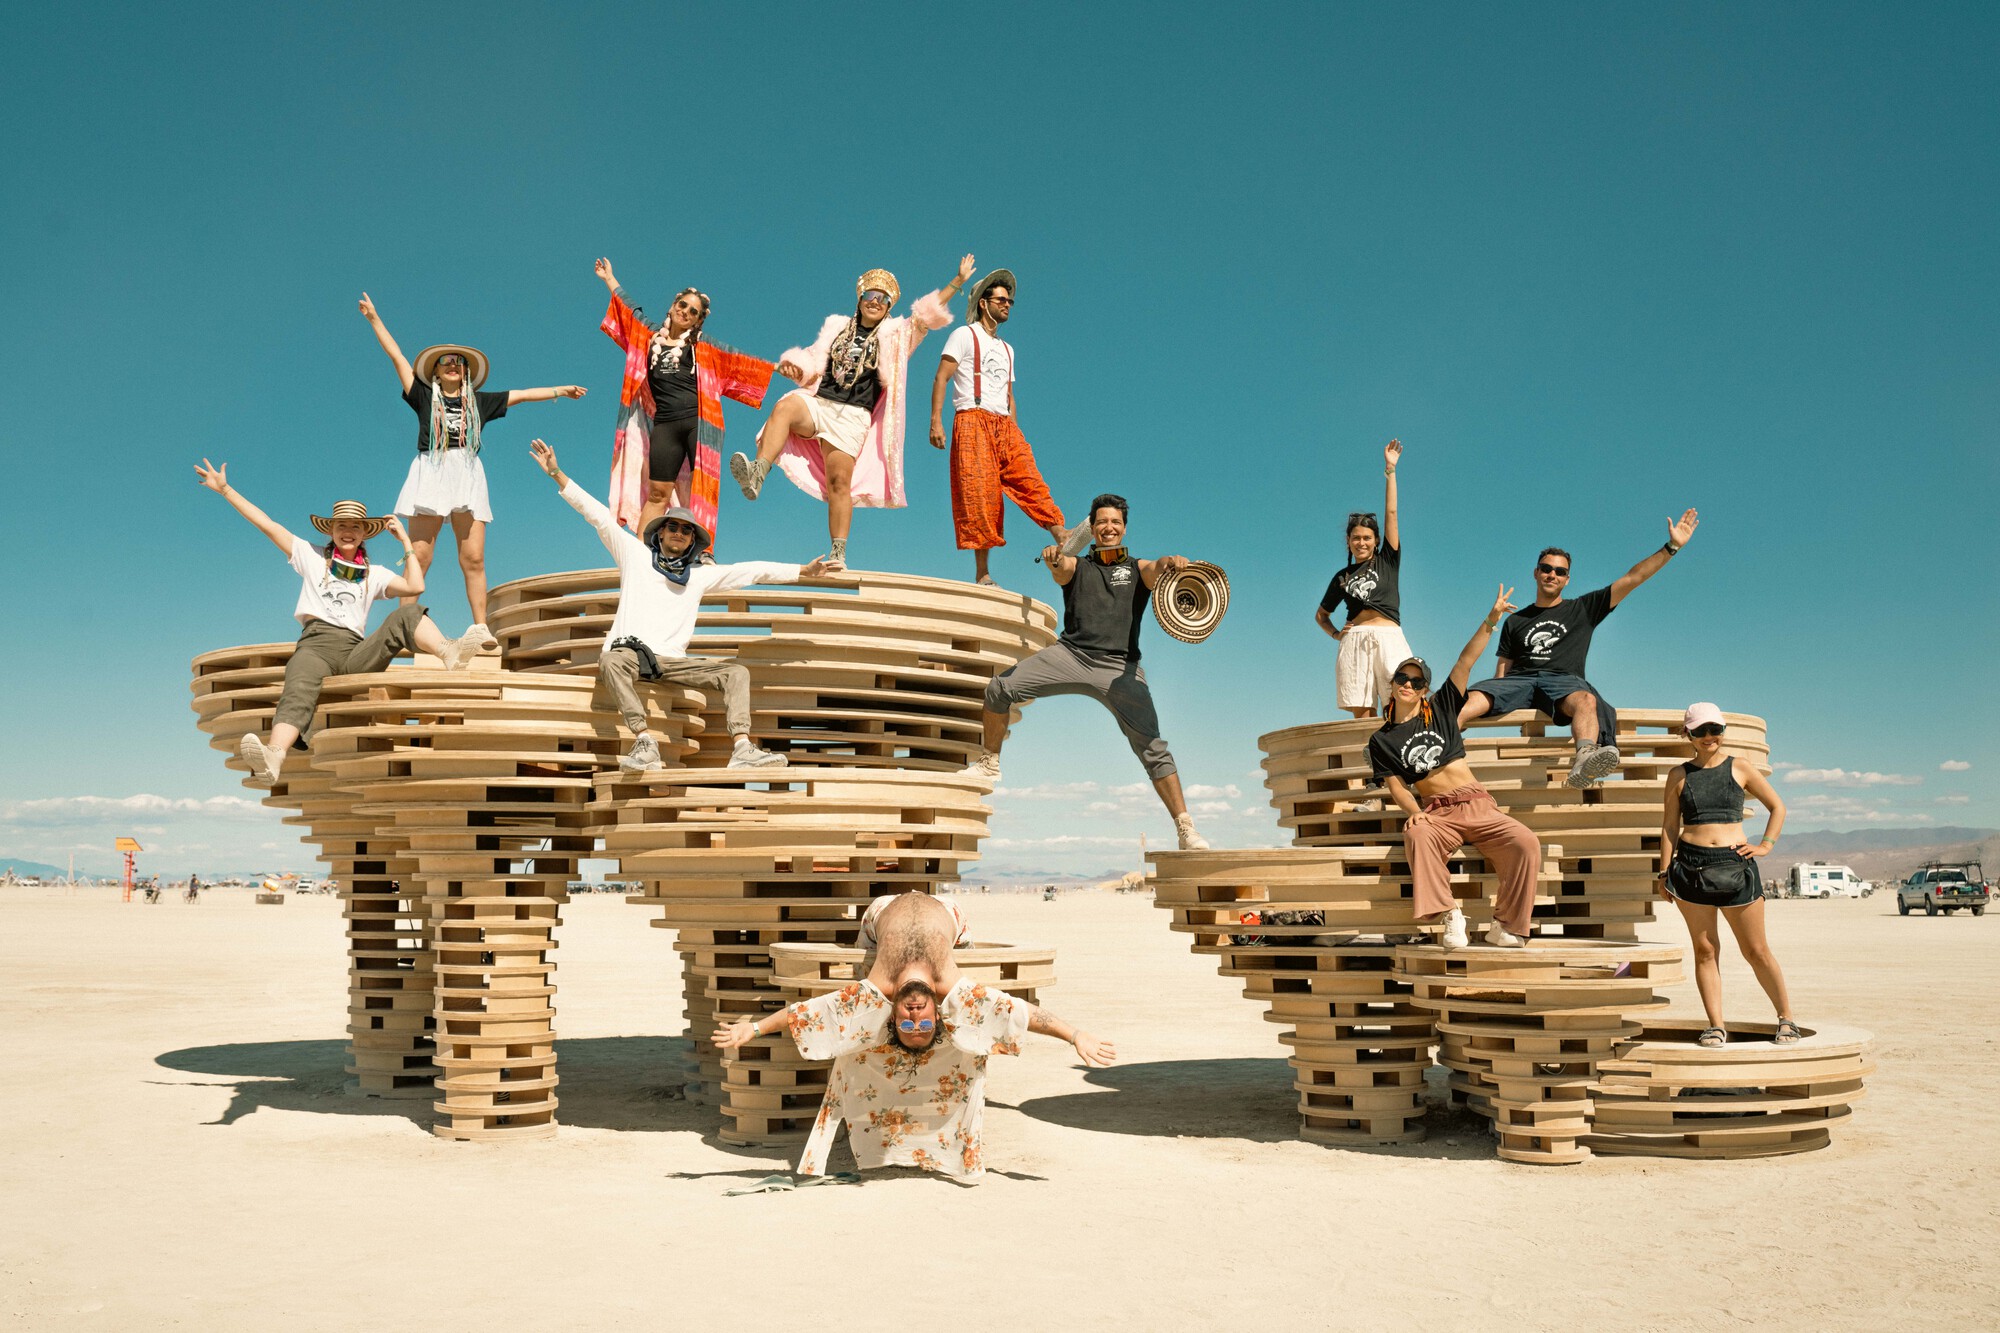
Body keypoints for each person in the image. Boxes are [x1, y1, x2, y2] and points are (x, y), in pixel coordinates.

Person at [712, 891, 1113, 1181]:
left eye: (909, 1025)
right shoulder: (951, 988)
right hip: (951, 912)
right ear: (940, 1014)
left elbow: (812, 1012)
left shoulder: (878, 988)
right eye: (923, 1025)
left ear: (892, 1016)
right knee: (976, 979)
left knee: (857, 987)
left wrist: (755, 1027)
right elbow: (1021, 1013)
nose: (916, 1017)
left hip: (881, 911)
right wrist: (1075, 1035)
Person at [529, 439, 829, 771]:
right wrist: (557, 473)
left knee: (736, 672)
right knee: (610, 659)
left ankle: (743, 748)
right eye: (672, 526)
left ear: (692, 541)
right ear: (659, 533)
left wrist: (803, 571)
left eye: (686, 530)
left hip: (674, 663)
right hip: (632, 656)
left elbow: (750, 571)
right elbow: (598, 516)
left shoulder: (698, 575)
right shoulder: (636, 556)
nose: (678, 533)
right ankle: (644, 742)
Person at [193, 460, 476, 788]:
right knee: (298, 687)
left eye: (355, 526)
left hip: (356, 652)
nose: (348, 530)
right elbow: (268, 526)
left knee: (406, 614)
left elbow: (415, 587)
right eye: (341, 524)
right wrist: (226, 490)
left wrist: (405, 543)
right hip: (316, 645)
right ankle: (274, 755)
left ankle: (449, 651)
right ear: (330, 529)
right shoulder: (310, 556)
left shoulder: (375, 573)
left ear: (363, 534)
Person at [959, 493, 1211, 852]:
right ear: (1091, 528)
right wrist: (1054, 559)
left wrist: (1171, 561)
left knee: (1153, 748)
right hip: (1072, 655)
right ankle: (989, 763)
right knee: (1000, 688)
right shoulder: (1078, 564)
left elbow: (1157, 570)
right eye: (1102, 522)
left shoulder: (1137, 568)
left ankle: (1186, 829)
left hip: (1120, 669)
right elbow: (1062, 570)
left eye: (1116, 523)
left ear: (1124, 528)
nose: (1109, 528)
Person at [358, 292, 586, 652]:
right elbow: (397, 357)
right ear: (435, 370)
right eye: (446, 362)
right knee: (420, 556)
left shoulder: (480, 402)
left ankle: (480, 627)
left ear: (465, 372)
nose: (453, 365)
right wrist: (374, 318)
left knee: (474, 557)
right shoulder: (421, 395)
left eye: (459, 363)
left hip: (466, 470)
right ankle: (402, 628)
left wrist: (561, 389)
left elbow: (523, 395)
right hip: (431, 469)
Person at [730, 256, 975, 571]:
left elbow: (924, 317)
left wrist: (957, 282)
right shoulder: (836, 326)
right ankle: (757, 473)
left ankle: (838, 553)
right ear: (860, 300)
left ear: (888, 307)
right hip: (821, 402)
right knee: (786, 406)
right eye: (869, 296)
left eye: (882, 299)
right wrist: (795, 366)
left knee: (839, 482)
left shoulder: (895, 335)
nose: (875, 302)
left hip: (853, 417)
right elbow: (812, 360)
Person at [1457, 509, 1701, 788]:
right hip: (1519, 681)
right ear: (1536, 573)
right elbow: (1502, 672)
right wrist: (1495, 694)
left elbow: (1633, 579)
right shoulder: (1516, 620)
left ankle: (1585, 758)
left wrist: (1671, 547)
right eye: (1546, 569)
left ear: (1567, 579)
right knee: (1465, 699)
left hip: (1563, 683)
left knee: (1587, 700)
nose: (1552, 575)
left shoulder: (1583, 609)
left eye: (1560, 572)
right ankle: (1445, 748)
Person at [1370, 586, 1542, 948]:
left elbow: (1466, 661)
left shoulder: (1443, 708)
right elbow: (1397, 785)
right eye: (1403, 678)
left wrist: (1492, 620)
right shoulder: (1381, 740)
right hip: (1437, 812)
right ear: (1393, 684)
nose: (1409, 684)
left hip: (1477, 803)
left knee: (1526, 842)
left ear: (1424, 689)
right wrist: (1415, 812)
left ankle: (1506, 926)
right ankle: (1451, 916)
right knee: (1416, 833)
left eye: (1417, 681)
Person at [593, 257, 778, 539]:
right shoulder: (648, 336)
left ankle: (704, 552)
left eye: (693, 311)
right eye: (683, 305)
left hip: (697, 423)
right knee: (658, 493)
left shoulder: (703, 347)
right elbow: (629, 310)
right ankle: (641, 553)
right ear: (672, 306)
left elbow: (739, 361)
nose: (686, 312)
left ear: (698, 320)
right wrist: (609, 278)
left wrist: (778, 368)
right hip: (665, 425)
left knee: (701, 488)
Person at [1659, 702, 1799, 1047]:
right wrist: (1664, 871)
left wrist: (1765, 845)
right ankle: (1716, 1026)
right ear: (1686, 734)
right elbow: (1668, 825)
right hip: (1690, 869)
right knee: (1705, 950)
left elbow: (1777, 807)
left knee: (1756, 950)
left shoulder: (1740, 767)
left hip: (1736, 867)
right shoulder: (1678, 775)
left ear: (1722, 732)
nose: (1709, 737)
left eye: (1715, 730)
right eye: (1700, 731)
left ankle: (1786, 1019)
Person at [927, 267, 1073, 586]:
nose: (1007, 304)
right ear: (984, 302)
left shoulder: (1008, 349)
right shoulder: (964, 335)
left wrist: (1015, 432)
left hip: (1003, 424)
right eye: (1001, 299)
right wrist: (936, 420)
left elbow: (1009, 394)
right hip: (972, 419)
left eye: (1010, 301)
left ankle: (1060, 531)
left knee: (1029, 477)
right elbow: (941, 376)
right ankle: (983, 573)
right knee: (981, 495)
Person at [1317, 440, 1413, 717]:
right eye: (1356, 538)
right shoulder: (1341, 577)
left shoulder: (1388, 560)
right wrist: (1336, 634)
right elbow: (1321, 615)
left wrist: (1390, 470)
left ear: (1376, 541)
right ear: (1348, 541)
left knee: (1400, 706)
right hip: (1355, 638)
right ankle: (1368, 759)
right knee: (1362, 713)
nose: (1361, 542)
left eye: (1367, 538)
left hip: (1389, 636)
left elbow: (1391, 513)